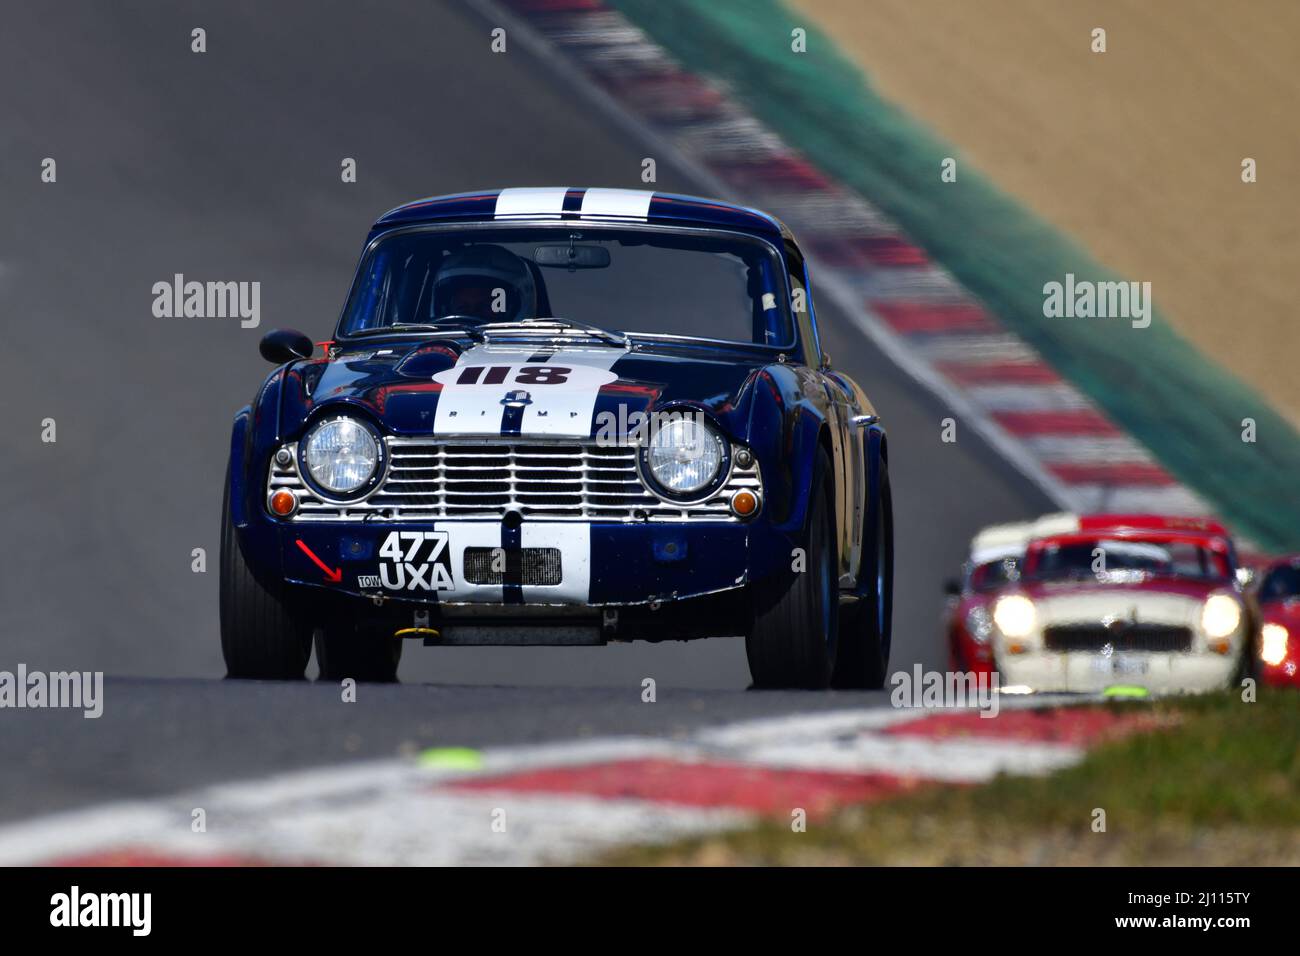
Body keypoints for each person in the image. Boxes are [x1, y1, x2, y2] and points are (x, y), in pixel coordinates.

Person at [432, 244, 537, 323]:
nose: (472, 315)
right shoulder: (432, 350)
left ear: (511, 308)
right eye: (462, 308)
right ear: (447, 309)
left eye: (485, 307)